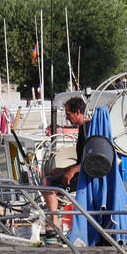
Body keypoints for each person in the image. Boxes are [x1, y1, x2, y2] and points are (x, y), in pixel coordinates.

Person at [42, 95, 87, 235]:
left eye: (68, 114)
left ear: (78, 112)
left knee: (47, 183)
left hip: (86, 175)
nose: (67, 118)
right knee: (49, 178)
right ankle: (54, 220)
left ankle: (54, 222)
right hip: (81, 171)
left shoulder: (87, 129)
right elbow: (82, 161)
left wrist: (72, 171)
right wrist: (64, 169)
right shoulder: (84, 128)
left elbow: (91, 160)